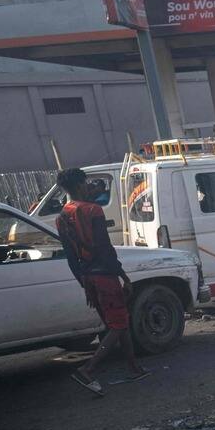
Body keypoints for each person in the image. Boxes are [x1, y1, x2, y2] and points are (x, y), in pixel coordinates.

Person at [54, 167, 146, 395]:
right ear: (78, 186)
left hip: (89, 276)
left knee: (119, 321)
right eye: (86, 183)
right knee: (118, 325)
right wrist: (123, 275)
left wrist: (83, 282)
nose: (89, 187)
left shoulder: (62, 215)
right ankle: (87, 370)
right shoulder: (93, 210)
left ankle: (134, 367)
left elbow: (70, 256)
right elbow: (105, 248)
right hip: (105, 274)